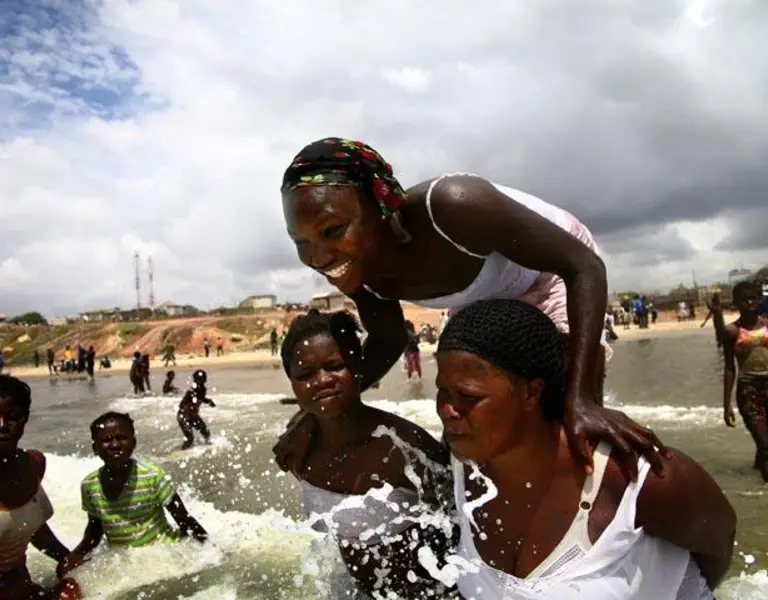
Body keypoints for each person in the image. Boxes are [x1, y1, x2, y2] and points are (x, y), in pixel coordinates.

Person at [278, 137, 667, 479]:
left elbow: (584, 268)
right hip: (478, 299)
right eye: (302, 242)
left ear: (380, 206)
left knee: (565, 425)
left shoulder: (453, 207)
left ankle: (625, 511)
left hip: (554, 274)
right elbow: (388, 339)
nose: (319, 257)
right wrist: (322, 409)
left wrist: (583, 398)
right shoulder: (359, 271)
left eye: (332, 231)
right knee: (469, 435)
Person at [434, 300, 736, 599]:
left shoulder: (633, 478)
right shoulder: (456, 470)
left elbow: (718, 546)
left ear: (532, 392)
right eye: (442, 391)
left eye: (468, 396)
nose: (448, 410)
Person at [273, 310, 455, 598]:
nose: (321, 381)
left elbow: (462, 526)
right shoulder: (297, 444)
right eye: (306, 374)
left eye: (334, 366)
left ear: (357, 367)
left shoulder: (402, 446)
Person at [58, 412, 207, 575]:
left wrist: (210, 550)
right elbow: (95, 530)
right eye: (106, 440)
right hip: (127, 563)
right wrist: (76, 555)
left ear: (133, 442)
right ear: (95, 448)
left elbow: (184, 520)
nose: (114, 444)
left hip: (163, 555)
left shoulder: (153, 476)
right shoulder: (90, 485)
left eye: (121, 437)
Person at [0, 375, 82, 600]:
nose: (2, 425)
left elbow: (29, 526)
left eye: (12, 417)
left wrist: (66, 558)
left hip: (21, 584)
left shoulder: (34, 463)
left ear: (25, 419)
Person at [723, 281, 768, 481]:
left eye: (754, 298)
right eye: (745, 299)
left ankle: (758, 484)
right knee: (765, 443)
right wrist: (726, 406)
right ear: (736, 303)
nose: (750, 302)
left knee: (764, 446)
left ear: (759, 299)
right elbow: (729, 368)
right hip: (748, 391)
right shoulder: (731, 331)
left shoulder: (767, 325)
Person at [177, 370, 215, 450]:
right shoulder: (191, 391)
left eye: (202, 379)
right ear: (195, 380)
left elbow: (201, 398)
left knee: (206, 433)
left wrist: (209, 401)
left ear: (205, 379)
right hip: (184, 416)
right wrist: (186, 417)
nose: (200, 381)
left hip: (193, 416)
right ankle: (181, 452)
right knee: (190, 438)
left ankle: (207, 449)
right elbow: (181, 404)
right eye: (198, 379)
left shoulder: (203, 389)